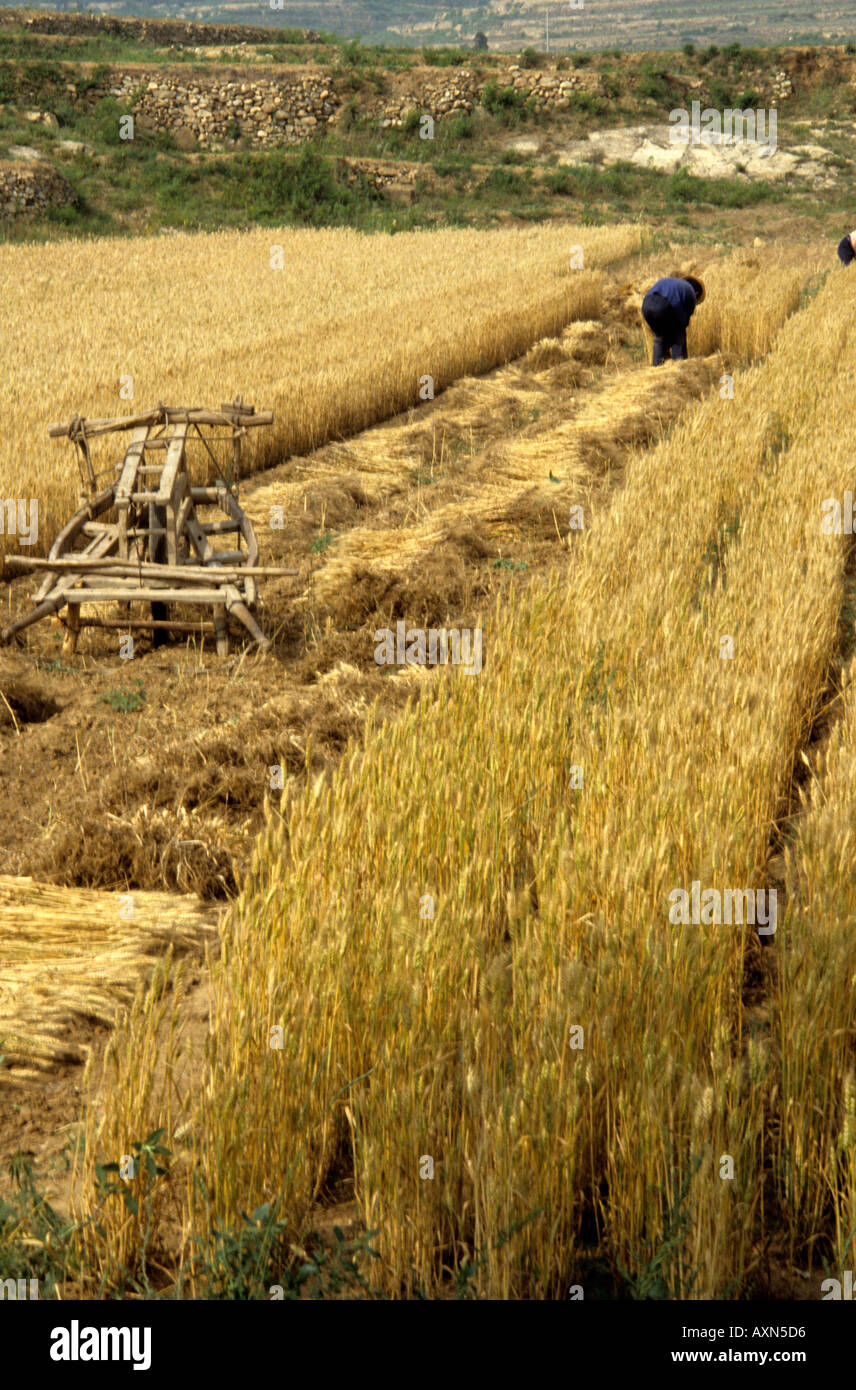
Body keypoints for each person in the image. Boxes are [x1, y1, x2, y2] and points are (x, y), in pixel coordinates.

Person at [641, 274, 706, 366]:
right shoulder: (691, 293)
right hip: (663, 305)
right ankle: (679, 367)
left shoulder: (672, 282)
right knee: (678, 337)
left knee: (659, 339)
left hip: (646, 305)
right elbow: (683, 322)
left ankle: (656, 370)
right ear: (696, 293)